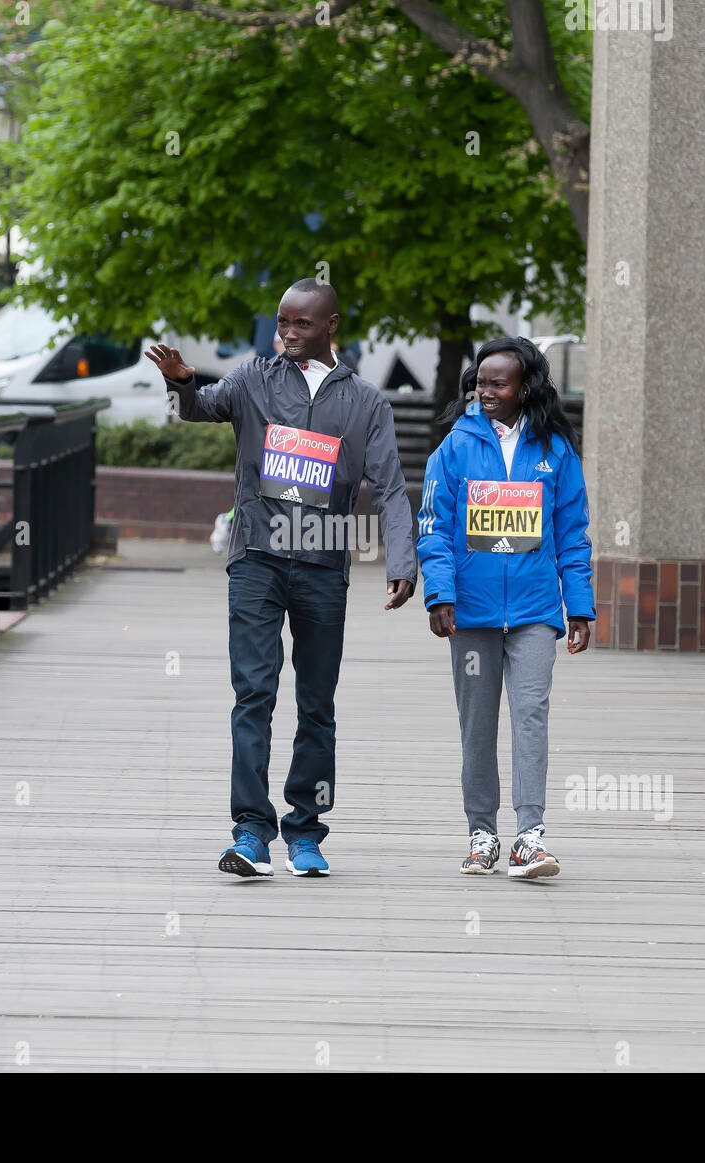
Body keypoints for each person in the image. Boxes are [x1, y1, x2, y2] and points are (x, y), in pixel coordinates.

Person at [145, 278, 417, 878]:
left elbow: (391, 487)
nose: (288, 333)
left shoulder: (366, 403)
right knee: (254, 694)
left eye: (301, 324)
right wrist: (182, 381)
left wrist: (403, 559)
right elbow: (202, 406)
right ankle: (250, 832)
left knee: (317, 704)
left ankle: (306, 832)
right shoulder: (253, 379)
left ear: (331, 326)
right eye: (282, 322)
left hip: (324, 563)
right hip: (257, 560)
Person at [417, 336, 594, 879]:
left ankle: (529, 837)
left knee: (531, 716)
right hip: (471, 611)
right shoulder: (454, 448)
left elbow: (573, 534)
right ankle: (481, 834)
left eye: (499, 383)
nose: (485, 391)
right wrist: (439, 594)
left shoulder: (555, 452)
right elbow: (434, 529)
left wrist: (579, 606)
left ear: (526, 387)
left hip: (537, 612)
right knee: (477, 724)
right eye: (480, 382)